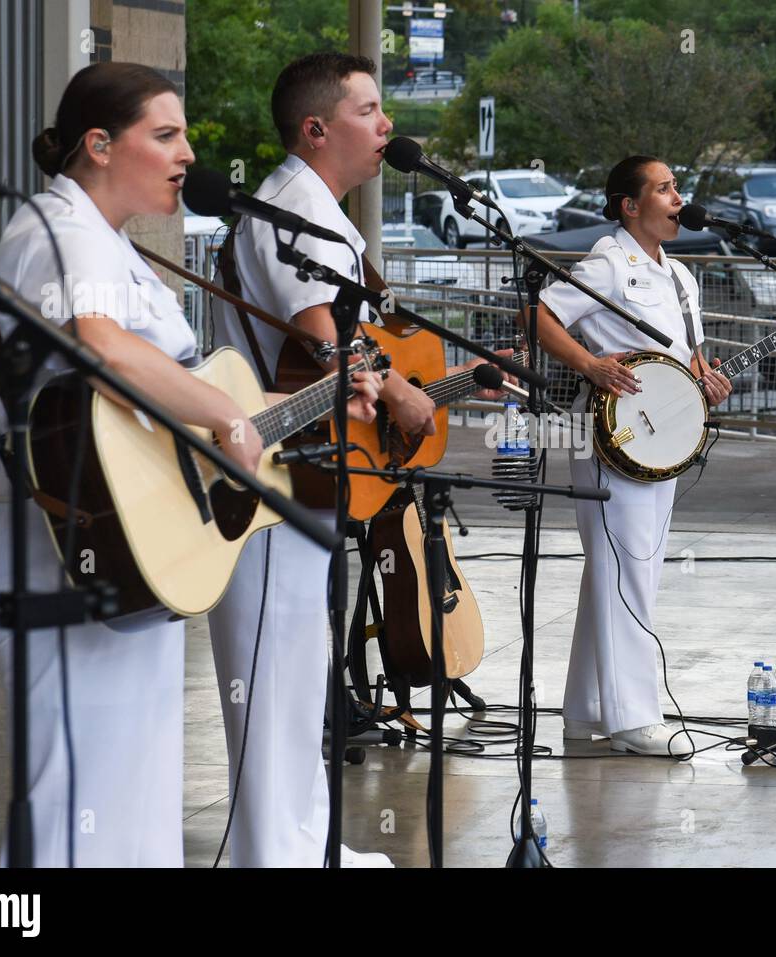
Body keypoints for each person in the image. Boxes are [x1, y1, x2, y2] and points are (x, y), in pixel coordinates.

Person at [0, 62, 378, 866]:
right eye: (165, 135)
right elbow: (100, 345)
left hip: (127, 542)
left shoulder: (109, 244)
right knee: (78, 797)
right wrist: (225, 413)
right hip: (61, 541)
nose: (187, 152)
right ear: (98, 144)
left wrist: (286, 405)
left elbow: (167, 397)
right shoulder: (58, 231)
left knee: (132, 793)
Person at [208, 52, 504, 866]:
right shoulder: (286, 209)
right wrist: (402, 391)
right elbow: (324, 345)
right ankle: (270, 852)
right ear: (316, 128)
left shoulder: (321, 215)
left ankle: (303, 841)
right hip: (269, 474)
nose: (387, 127)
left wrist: (431, 384)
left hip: (315, 471)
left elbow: (365, 351)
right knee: (272, 674)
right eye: (370, 111)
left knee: (302, 673)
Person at [530, 155, 731, 755]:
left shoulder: (680, 277)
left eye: (677, 187)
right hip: (610, 436)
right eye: (665, 189)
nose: (677, 198)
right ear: (629, 206)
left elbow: (688, 360)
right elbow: (540, 315)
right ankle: (633, 717)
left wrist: (708, 379)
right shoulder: (609, 264)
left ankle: (588, 708)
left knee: (617, 570)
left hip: (660, 440)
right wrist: (590, 363)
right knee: (629, 570)